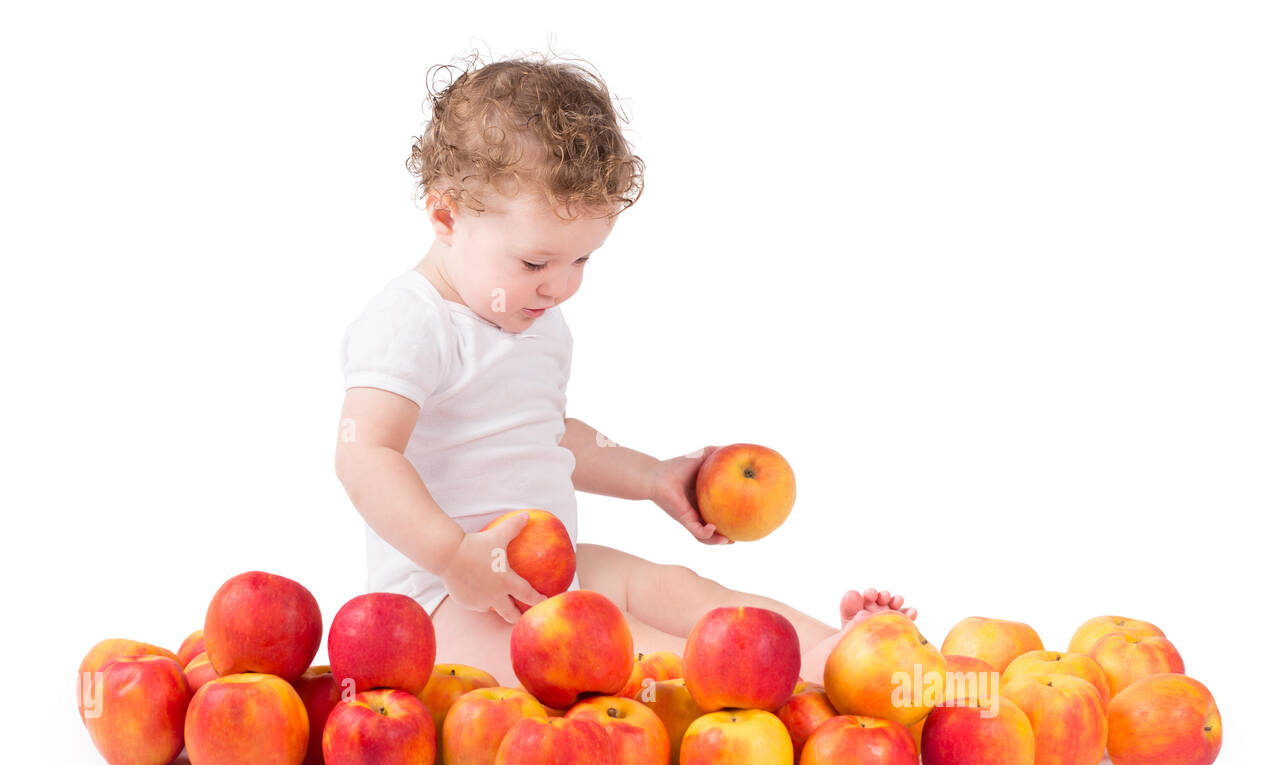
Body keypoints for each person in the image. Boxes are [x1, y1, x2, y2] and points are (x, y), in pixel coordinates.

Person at [334, 52, 916, 686]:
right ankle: (791, 686)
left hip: (550, 576)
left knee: (673, 587)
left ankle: (836, 648)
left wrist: (651, 476)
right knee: (632, 651)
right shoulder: (412, 321)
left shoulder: (536, 320)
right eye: (535, 263)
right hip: (444, 603)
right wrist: (454, 557)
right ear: (446, 216)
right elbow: (364, 455)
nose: (559, 286)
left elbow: (547, 434)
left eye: (582, 260)